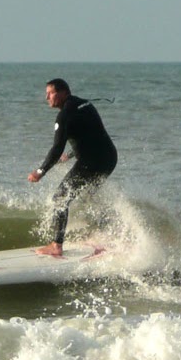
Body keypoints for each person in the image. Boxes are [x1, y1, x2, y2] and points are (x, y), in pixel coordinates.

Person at [27, 78, 117, 256]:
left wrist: (40, 171)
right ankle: (109, 235)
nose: (46, 97)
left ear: (62, 93)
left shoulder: (64, 115)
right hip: (109, 158)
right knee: (87, 196)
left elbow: (56, 148)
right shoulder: (85, 104)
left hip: (91, 162)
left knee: (60, 198)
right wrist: (70, 155)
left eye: (50, 93)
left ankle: (56, 246)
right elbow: (92, 136)